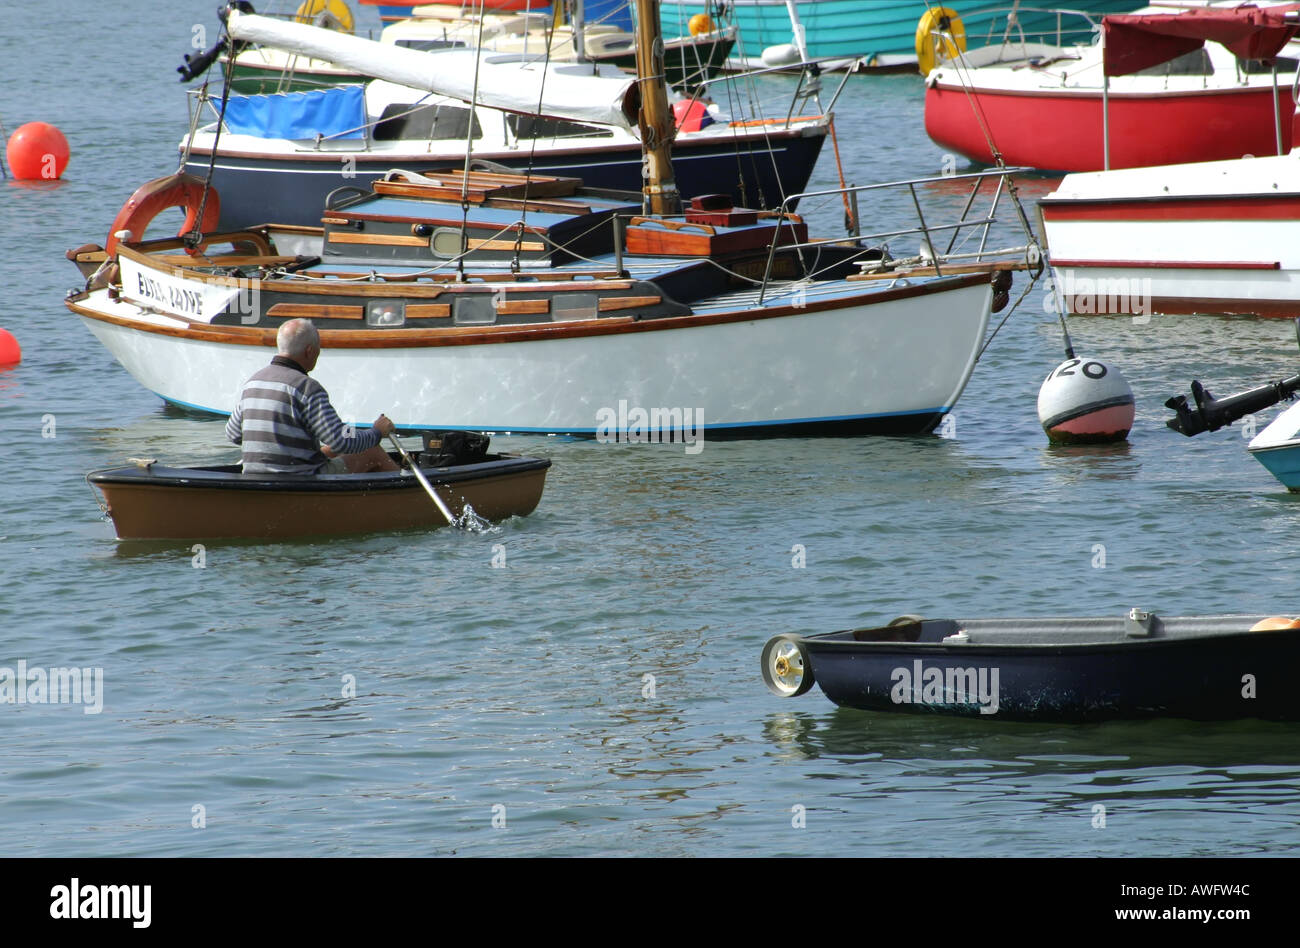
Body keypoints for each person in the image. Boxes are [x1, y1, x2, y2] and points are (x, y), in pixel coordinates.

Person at [226, 318, 398, 474]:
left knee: (329, 448)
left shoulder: (252, 383)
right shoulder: (307, 387)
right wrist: (375, 432)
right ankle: (411, 495)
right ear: (309, 351)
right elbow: (341, 439)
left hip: (254, 476)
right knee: (372, 452)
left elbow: (233, 434)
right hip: (300, 478)